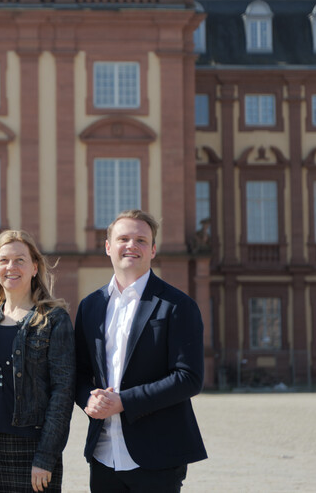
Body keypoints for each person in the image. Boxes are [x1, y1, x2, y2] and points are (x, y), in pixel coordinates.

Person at [75, 209, 207, 492]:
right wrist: (88, 399)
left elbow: (189, 378)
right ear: (108, 246)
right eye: (123, 238)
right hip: (103, 456)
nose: (131, 246)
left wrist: (124, 402)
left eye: (141, 240)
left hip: (157, 455)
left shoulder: (178, 305)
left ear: (153, 250)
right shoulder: (90, 306)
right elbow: (80, 372)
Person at [0, 230, 75, 492]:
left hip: (34, 446)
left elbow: (62, 394)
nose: (11, 267)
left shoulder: (54, 320)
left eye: (20, 260)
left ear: (34, 267)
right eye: (4, 260)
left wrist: (46, 456)